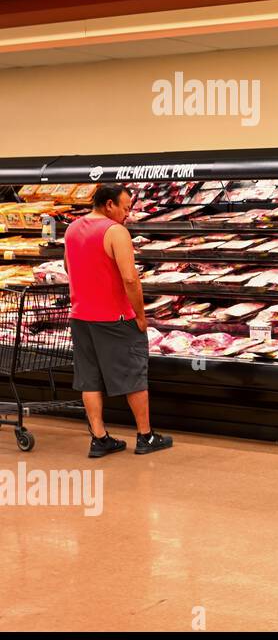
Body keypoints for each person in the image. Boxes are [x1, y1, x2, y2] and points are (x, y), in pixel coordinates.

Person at [64, 184, 172, 458]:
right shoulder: (116, 232)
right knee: (133, 375)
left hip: (81, 316)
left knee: (89, 379)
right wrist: (140, 315)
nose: (127, 214)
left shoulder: (72, 228)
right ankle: (145, 436)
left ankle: (99, 438)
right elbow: (129, 278)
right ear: (109, 204)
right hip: (115, 317)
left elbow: (67, 266)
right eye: (125, 208)